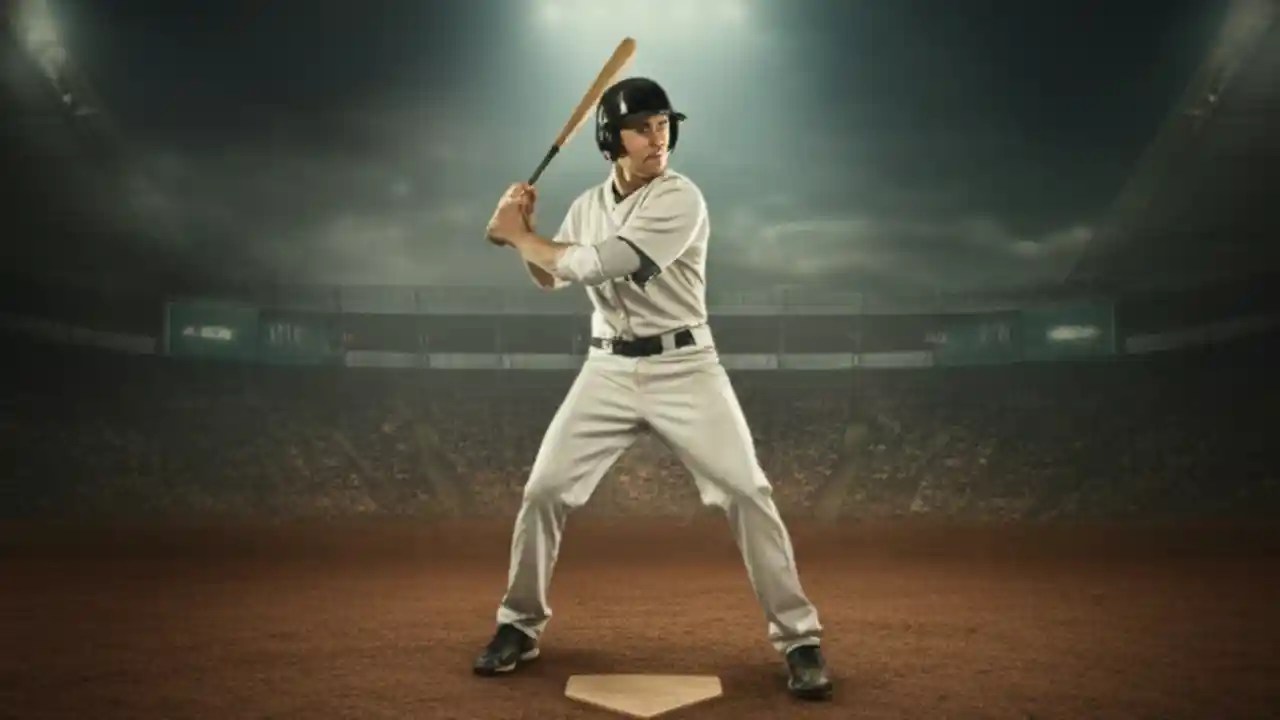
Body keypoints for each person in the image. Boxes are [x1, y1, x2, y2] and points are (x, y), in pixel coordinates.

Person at [474, 77, 833, 701]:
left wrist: (517, 236)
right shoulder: (588, 204)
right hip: (606, 369)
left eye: (664, 123)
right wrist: (523, 234)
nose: (658, 136)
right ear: (612, 138)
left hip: (685, 368)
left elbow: (592, 264)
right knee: (544, 491)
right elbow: (551, 277)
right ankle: (518, 626)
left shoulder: (681, 198)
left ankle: (800, 639)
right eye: (643, 126)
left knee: (748, 492)